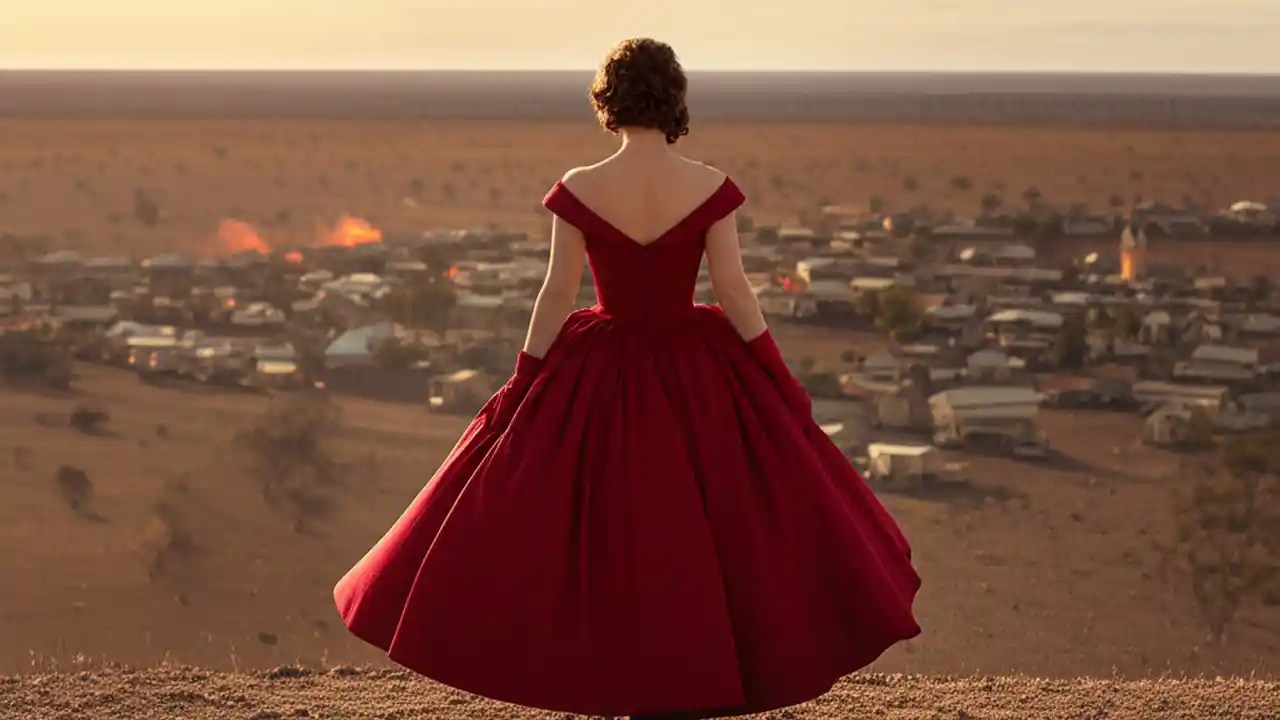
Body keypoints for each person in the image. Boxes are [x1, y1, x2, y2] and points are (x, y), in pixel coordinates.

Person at [334, 37, 921, 720]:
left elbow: (557, 294)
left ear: (607, 99)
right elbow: (734, 290)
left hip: (599, 372)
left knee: (605, 533)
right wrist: (774, 376)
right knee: (708, 532)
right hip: (698, 370)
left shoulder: (580, 188)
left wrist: (526, 378)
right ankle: (699, 674)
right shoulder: (709, 186)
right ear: (674, 99)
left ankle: (615, 679)